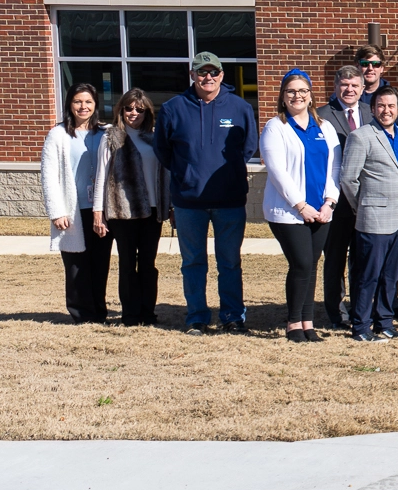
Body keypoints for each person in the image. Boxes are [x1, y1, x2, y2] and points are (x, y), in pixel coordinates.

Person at [155, 51, 259, 335]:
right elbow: (163, 150)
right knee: (193, 262)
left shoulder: (240, 107)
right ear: (192, 75)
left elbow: (248, 147)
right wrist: (187, 174)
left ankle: (232, 317)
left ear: (222, 75)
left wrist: (229, 174)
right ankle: (197, 318)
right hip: (189, 202)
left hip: (230, 200)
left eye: (213, 72)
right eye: (202, 72)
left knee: (230, 262)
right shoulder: (173, 108)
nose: (208, 77)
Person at [261, 70, 341, 343]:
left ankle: (308, 322)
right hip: (289, 212)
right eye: (291, 91)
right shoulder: (275, 127)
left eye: (303, 91)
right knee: (301, 263)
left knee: (312, 265)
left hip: (322, 210)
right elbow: (277, 172)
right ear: (283, 97)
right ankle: (294, 323)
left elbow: (335, 168)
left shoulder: (325, 127)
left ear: (311, 95)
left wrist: (330, 202)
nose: (297, 96)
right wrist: (300, 205)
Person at [339, 87, 398, 342]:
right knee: (367, 276)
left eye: (391, 106)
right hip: (373, 219)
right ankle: (361, 326)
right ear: (372, 108)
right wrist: (363, 207)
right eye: (381, 106)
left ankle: (385, 323)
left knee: (390, 276)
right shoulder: (361, 137)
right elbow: (348, 179)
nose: (386, 111)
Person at [90, 88, 168, 327]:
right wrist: (98, 213)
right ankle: (131, 315)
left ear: (147, 113)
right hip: (122, 211)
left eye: (140, 109)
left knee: (148, 263)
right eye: (129, 108)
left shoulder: (154, 138)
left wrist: (170, 206)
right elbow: (101, 176)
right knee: (127, 263)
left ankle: (148, 312)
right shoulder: (110, 137)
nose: (134, 113)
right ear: (121, 110)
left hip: (152, 210)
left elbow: (166, 174)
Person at [42, 82, 111, 324]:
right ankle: (81, 314)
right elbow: (49, 176)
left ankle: (99, 312)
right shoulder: (58, 134)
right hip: (72, 210)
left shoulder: (106, 133)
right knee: (76, 264)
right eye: (78, 101)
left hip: (100, 209)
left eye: (88, 102)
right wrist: (56, 211)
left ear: (96, 105)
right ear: (69, 104)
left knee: (100, 263)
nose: (83, 106)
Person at [320, 64, 368, 331]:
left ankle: (361, 309)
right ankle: (336, 314)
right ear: (336, 86)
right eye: (344, 85)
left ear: (362, 88)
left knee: (361, 259)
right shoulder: (322, 115)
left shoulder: (371, 113)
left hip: (365, 199)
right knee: (335, 259)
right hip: (336, 201)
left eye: (354, 85)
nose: (349, 90)